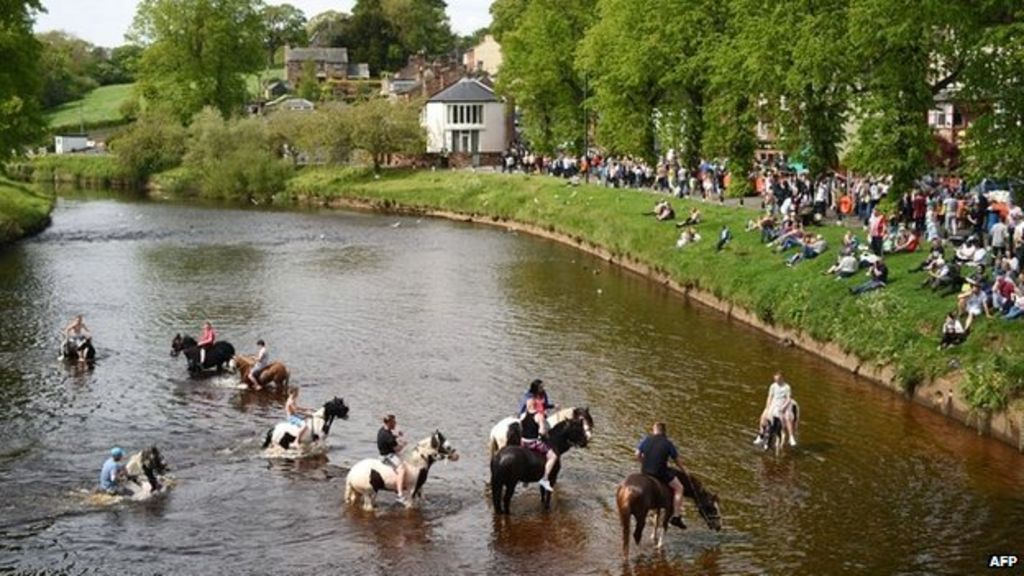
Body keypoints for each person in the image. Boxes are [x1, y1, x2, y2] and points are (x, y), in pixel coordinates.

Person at [635, 422, 687, 529]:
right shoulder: (668, 443)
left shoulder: (646, 439)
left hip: (644, 471)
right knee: (679, 488)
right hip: (659, 472)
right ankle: (676, 516)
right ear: (664, 431)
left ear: (655, 430)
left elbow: (636, 454)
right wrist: (685, 471)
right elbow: (677, 461)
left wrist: (643, 462)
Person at [519, 385, 558, 493]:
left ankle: (525, 480)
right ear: (535, 405)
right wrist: (543, 435)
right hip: (532, 443)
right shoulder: (539, 416)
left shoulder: (522, 416)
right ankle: (545, 479)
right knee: (553, 456)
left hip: (523, 443)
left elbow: (520, 428)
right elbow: (542, 431)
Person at [757, 372, 797, 447]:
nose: (776, 381)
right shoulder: (773, 386)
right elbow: (770, 397)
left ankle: (791, 437)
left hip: (783, 403)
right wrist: (767, 406)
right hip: (774, 403)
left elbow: (788, 398)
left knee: (788, 417)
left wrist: (783, 407)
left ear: (782, 378)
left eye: (778, 379)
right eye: (775, 379)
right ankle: (761, 434)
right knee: (763, 416)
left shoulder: (787, 387)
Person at [377, 414, 408, 504]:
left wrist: (397, 435)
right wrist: (403, 444)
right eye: (394, 422)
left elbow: (390, 437)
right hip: (387, 457)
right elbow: (397, 448)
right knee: (401, 469)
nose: (395, 424)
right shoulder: (388, 436)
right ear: (389, 422)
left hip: (385, 453)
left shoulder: (383, 430)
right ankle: (400, 495)